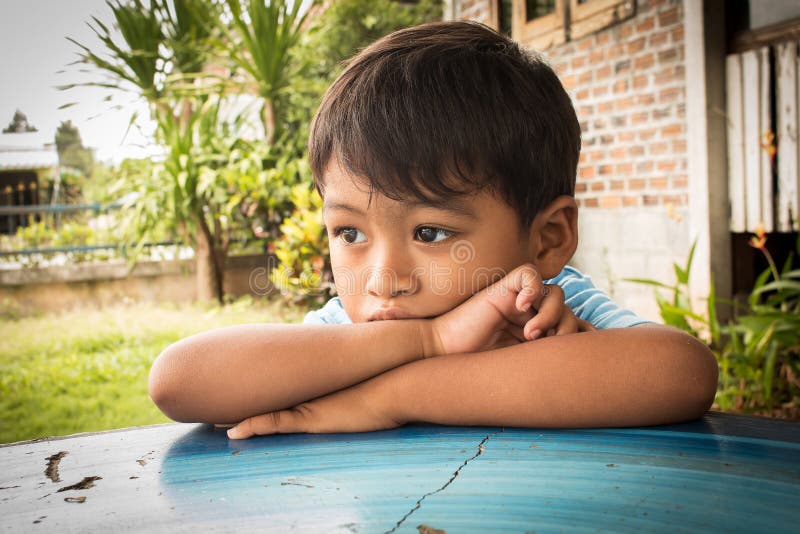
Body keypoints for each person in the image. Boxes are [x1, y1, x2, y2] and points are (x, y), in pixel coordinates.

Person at [148, 21, 717, 440]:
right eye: (350, 234)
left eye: (430, 234)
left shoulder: (541, 314)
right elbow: (179, 381)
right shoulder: (345, 330)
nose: (383, 280)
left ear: (547, 239)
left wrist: (390, 397)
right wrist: (431, 340)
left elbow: (683, 374)